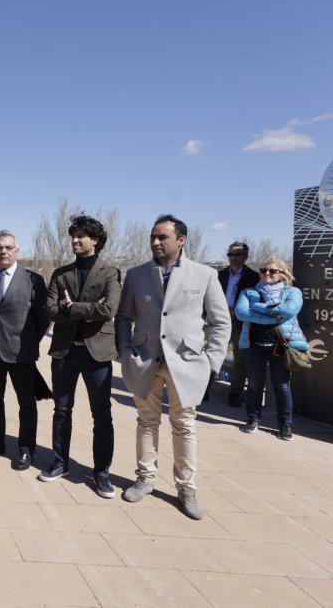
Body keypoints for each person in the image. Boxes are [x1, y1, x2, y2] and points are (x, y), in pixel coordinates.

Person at [115, 214, 230, 520]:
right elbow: (123, 317)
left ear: (181, 240)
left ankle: (186, 489)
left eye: (162, 237)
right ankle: (145, 479)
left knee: (185, 427)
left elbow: (220, 322)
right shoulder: (137, 275)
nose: (155, 242)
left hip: (188, 364)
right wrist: (125, 350)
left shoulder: (204, 275)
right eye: (153, 237)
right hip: (144, 360)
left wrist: (212, 362)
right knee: (146, 422)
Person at [40, 216, 120, 496]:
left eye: (82, 235)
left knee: (102, 415)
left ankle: (101, 473)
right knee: (61, 410)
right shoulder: (61, 274)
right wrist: (86, 311)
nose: (76, 239)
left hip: (96, 354)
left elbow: (109, 309)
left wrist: (71, 307)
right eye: (74, 235)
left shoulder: (110, 273)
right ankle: (60, 462)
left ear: (95, 240)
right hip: (64, 352)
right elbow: (49, 310)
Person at [0, 230, 48, 469]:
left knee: (26, 403)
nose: (3, 251)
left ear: (17, 251)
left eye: (8, 247)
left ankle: (26, 450)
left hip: (21, 352)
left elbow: (42, 318)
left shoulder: (32, 279)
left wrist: (28, 342)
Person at [234, 257, 306, 441]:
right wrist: (273, 314)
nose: (267, 273)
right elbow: (242, 313)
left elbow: (289, 311)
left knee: (281, 386)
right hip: (254, 344)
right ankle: (253, 418)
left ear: (282, 274)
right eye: (264, 270)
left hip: (281, 345)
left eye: (272, 271)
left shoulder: (292, 292)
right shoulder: (248, 292)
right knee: (255, 384)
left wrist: (257, 308)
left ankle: (285, 423)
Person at [217, 242, 259, 407]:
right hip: (220, 321)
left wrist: (236, 312)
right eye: (230, 254)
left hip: (242, 324)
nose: (233, 257)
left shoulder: (254, 277)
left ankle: (235, 394)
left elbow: (257, 301)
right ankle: (202, 392)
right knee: (211, 356)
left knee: (240, 361)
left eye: (238, 254)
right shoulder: (219, 276)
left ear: (246, 257)